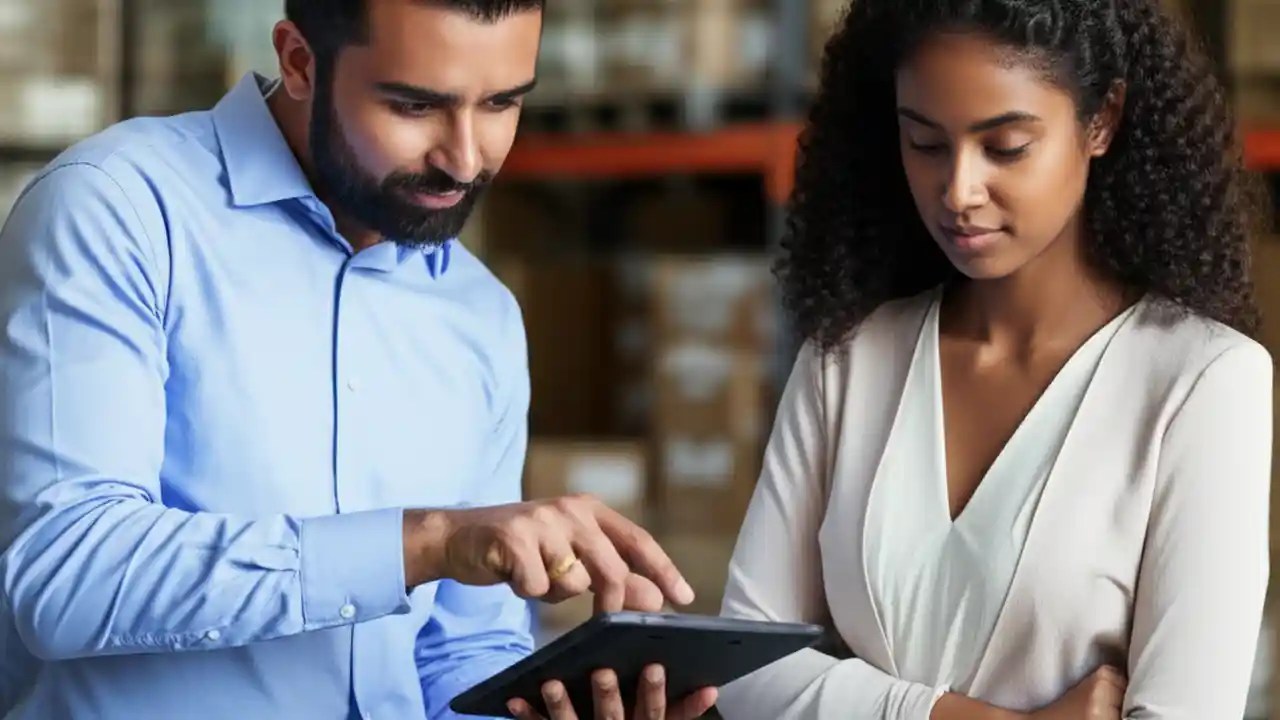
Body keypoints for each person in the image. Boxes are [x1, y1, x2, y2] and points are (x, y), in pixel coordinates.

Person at [0, 1, 717, 719]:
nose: (465, 157)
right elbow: (67, 574)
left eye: (501, 103)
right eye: (414, 105)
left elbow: (458, 654)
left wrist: (555, 707)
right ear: (299, 62)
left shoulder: (479, 311)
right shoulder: (119, 209)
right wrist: (427, 543)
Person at [715, 0, 1274, 718]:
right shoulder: (849, 361)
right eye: (924, 143)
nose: (958, 191)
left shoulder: (1203, 382)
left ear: (1101, 120)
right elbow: (744, 670)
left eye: (1005, 147)